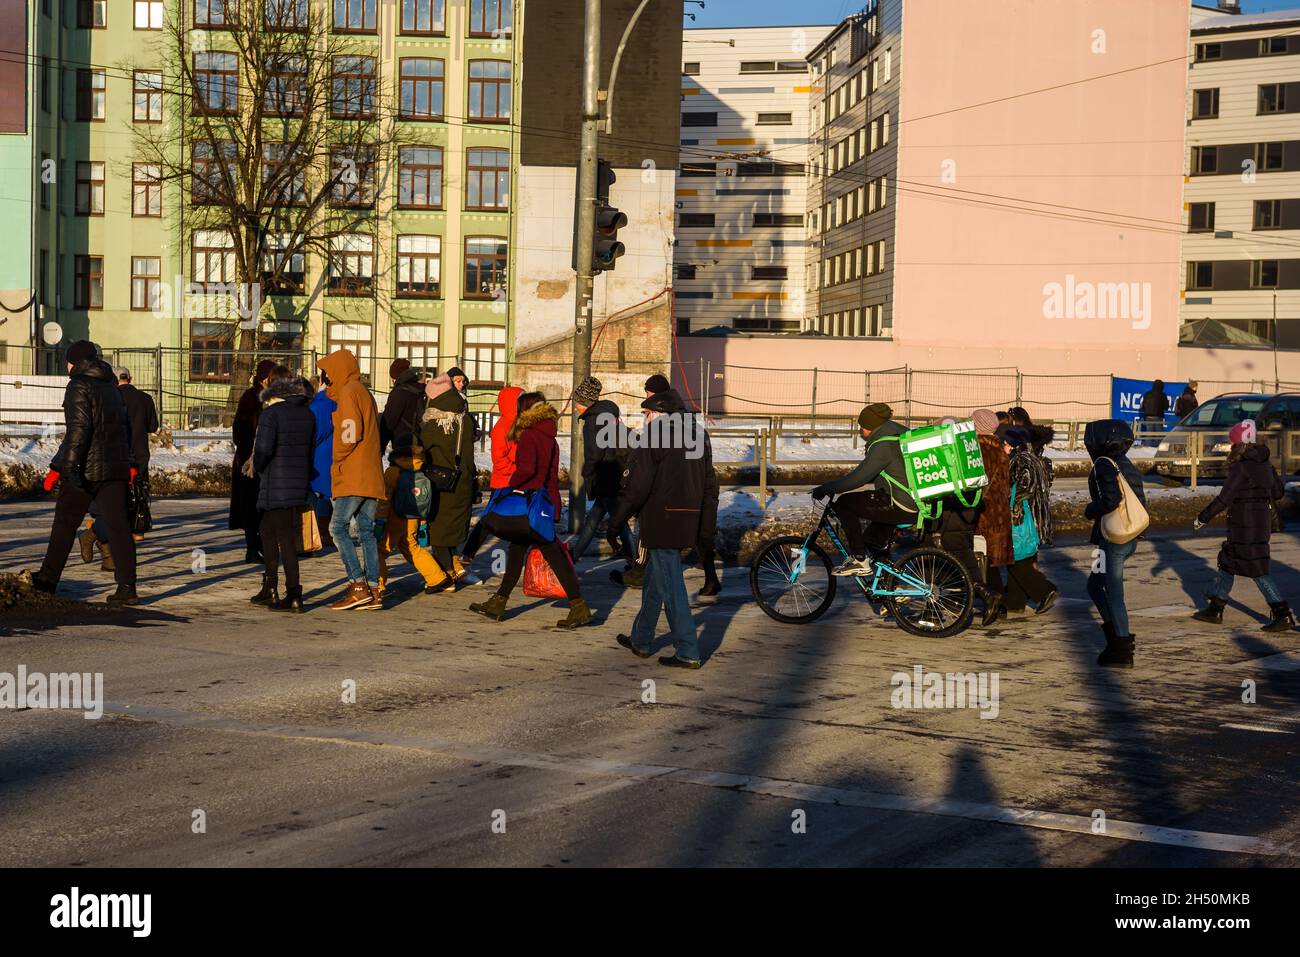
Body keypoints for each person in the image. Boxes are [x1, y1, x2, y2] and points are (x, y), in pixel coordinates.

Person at [610, 388, 719, 668]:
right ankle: (641, 638)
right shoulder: (698, 435)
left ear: (659, 413)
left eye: (646, 413)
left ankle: (687, 650)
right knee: (655, 579)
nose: (645, 419)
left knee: (671, 585)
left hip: (661, 519)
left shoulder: (654, 436)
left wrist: (616, 521)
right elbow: (710, 485)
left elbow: (636, 487)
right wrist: (706, 527)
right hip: (688, 518)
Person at [469, 392, 593, 628]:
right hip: (542, 505)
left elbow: (526, 470)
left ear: (525, 411)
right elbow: (552, 477)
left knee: (555, 556)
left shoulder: (529, 435)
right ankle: (499, 601)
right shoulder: (550, 437)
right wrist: (554, 504)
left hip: (529, 505)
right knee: (519, 550)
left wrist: (510, 487)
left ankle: (579, 605)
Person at [30, 340, 139, 605]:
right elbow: (124, 429)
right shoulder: (112, 387)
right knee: (118, 527)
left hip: (86, 469)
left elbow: (78, 432)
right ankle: (127, 587)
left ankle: (48, 579)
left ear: (76, 362)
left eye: (68, 361)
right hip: (113, 468)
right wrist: (128, 463)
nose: (66, 366)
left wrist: (69, 468)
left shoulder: (78, 385)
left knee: (65, 523)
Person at [1191, 422, 1293, 631]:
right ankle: (1216, 609)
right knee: (1228, 562)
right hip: (1260, 523)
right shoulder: (1265, 462)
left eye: (1232, 441)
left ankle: (1283, 614)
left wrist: (1203, 517)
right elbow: (1278, 492)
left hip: (1244, 525)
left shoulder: (1242, 466)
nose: (1230, 445)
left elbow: (1225, 498)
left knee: (1257, 569)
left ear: (1239, 443)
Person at [810, 403, 916, 578]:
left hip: (899, 503)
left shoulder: (883, 445)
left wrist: (828, 487)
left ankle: (859, 560)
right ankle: (889, 590)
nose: (860, 430)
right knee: (872, 544)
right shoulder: (896, 435)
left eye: (862, 426)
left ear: (871, 426)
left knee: (845, 503)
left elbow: (860, 478)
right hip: (907, 502)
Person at [317, 349, 387, 611]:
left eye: (328, 372)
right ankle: (373, 589)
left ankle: (357, 585)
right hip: (370, 474)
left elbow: (349, 434)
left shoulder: (348, 392)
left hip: (353, 474)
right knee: (367, 532)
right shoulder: (363, 391)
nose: (326, 378)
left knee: (337, 529)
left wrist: (336, 460)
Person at [249, 368, 316, 613]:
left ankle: (293, 593)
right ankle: (270, 586)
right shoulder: (307, 414)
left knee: (284, 539)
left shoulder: (271, 414)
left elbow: (263, 450)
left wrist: (257, 466)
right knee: (267, 531)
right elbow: (309, 451)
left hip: (275, 482)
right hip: (296, 481)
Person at [1084, 419, 1147, 667]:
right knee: (1095, 585)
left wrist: (1090, 509)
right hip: (1123, 538)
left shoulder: (1104, 464)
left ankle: (1122, 649)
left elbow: (1111, 499)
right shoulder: (1125, 463)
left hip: (1114, 541)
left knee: (1112, 592)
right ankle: (1115, 637)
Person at [569, 375, 637, 563]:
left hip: (605, 477)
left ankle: (635, 559)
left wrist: (587, 474)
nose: (575, 406)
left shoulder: (592, 422)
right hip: (616, 472)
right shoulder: (608, 415)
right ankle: (573, 556)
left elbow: (594, 455)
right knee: (593, 520)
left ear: (584, 402)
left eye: (577, 402)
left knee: (619, 521)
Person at [377, 432, 454, 596]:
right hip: (414, 516)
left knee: (381, 550)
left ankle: (378, 585)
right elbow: (425, 499)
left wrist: (380, 518)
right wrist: (423, 521)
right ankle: (436, 577)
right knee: (412, 547)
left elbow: (386, 497)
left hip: (395, 518)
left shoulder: (393, 471)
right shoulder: (423, 470)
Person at [419, 373, 476, 586]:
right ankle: (452, 569)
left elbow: (423, 447)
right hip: (463, 479)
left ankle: (447, 575)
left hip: (440, 481)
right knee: (451, 529)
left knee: (439, 530)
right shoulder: (465, 418)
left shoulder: (435, 421)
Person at [461, 385, 521, 564]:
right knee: (489, 520)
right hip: (504, 482)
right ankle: (469, 552)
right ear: (511, 403)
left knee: (519, 518)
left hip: (517, 480)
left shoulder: (520, 424)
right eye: (519, 401)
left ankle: (514, 555)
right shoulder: (501, 428)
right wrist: (517, 470)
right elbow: (499, 459)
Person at [1003, 426, 1058, 616]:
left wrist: (1014, 510)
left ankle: (1045, 590)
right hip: (1034, 516)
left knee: (1013, 557)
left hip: (1021, 516)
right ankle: (1015, 602)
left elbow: (1023, 489)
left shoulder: (1020, 460)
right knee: (1020, 558)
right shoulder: (1032, 458)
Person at [230, 358, 277, 563]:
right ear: (263, 377)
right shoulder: (251, 397)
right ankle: (252, 547)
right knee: (251, 506)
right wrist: (252, 450)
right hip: (249, 461)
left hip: (268, 461)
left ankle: (262, 546)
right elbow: (239, 430)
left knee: (265, 506)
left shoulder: (275, 398)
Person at [970, 408, 1013, 624]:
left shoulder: (978, 449)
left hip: (984, 510)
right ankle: (1000, 604)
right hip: (999, 509)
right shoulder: (1000, 448)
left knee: (979, 557)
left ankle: (990, 601)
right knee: (992, 560)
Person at [308, 373, 336, 550]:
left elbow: (315, 434)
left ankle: (319, 533)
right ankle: (326, 532)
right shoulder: (339, 401)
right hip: (334, 454)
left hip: (319, 456)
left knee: (319, 496)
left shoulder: (318, 405)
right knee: (328, 494)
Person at [380, 358, 426, 453]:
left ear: (396, 377)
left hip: (402, 444)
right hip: (421, 441)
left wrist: (381, 446)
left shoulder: (399, 393)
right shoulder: (421, 389)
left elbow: (388, 422)